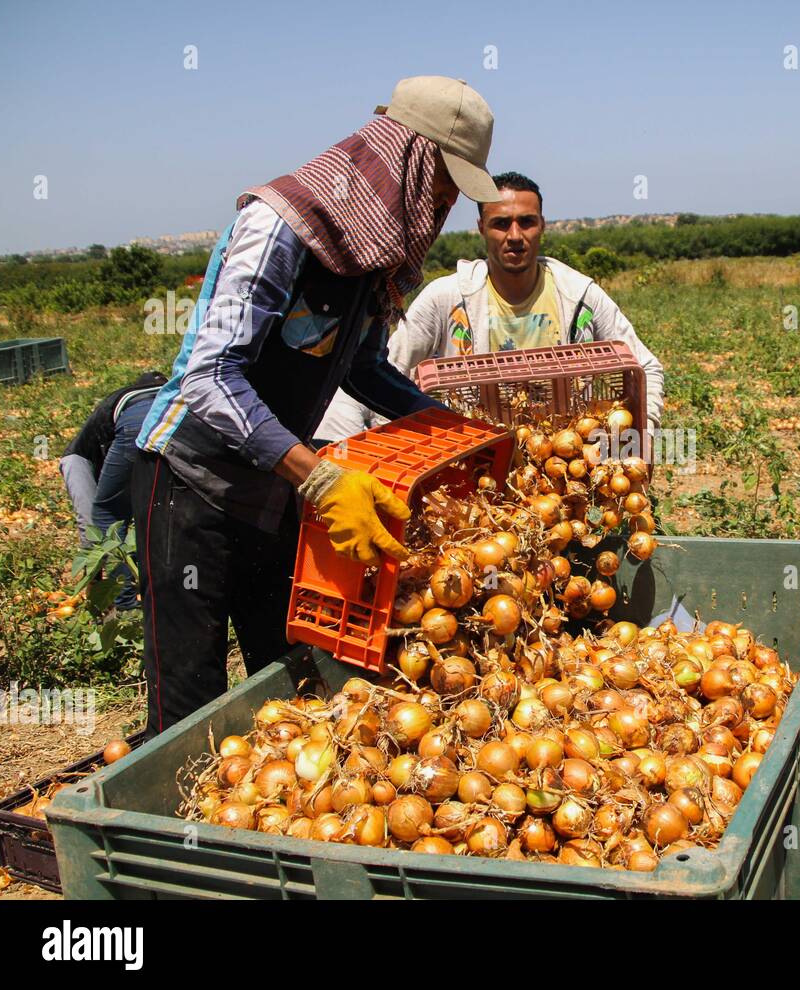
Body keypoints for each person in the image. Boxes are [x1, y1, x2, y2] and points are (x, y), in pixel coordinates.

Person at [132, 76, 501, 735]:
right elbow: (210, 378)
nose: (445, 206)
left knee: (292, 682)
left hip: (273, 492)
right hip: (188, 486)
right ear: (410, 159)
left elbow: (359, 365)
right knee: (189, 706)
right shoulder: (282, 226)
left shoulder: (370, 253)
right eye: (444, 185)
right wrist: (322, 476)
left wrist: (446, 424)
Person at [316, 171, 664, 445]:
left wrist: (639, 441)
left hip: (561, 460)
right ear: (482, 228)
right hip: (472, 461)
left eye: (526, 222)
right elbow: (382, 370)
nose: (515, 235)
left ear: (542, 225)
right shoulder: (447, 298)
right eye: (501, 224)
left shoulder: (579, 295)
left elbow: (644, 365)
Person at [58, 371, 168, 610]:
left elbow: (96, 526)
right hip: (175, 423)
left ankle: (124, 605)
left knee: (106, 518)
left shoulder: (123, 399)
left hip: (135, 429)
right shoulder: (79, 459)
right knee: (160, 514)